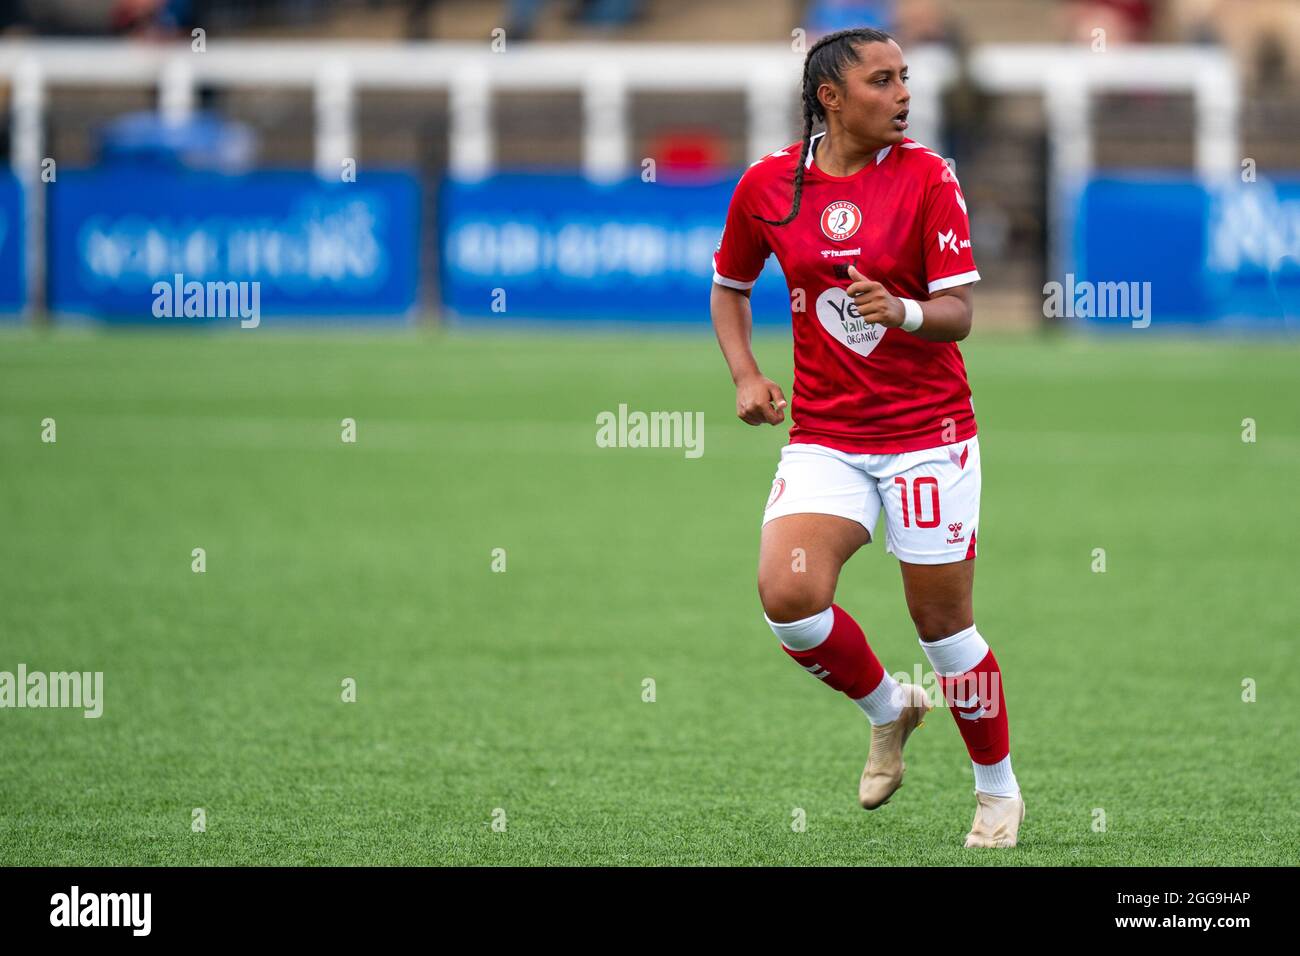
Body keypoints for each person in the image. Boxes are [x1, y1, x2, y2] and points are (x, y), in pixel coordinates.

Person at [709, 27, 1023, 847]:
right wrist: (746, 375)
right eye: (883, 81)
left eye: (905, 78)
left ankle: (998, 792)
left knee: (944, 628)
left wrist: (905, 310)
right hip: (826, 434)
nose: (904, 95)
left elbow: (958, 314)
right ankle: (890, 707)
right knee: (788, 596)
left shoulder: (928, 177)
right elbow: (729, 285)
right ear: (831, 98)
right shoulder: (768, 187)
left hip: (929, 434)